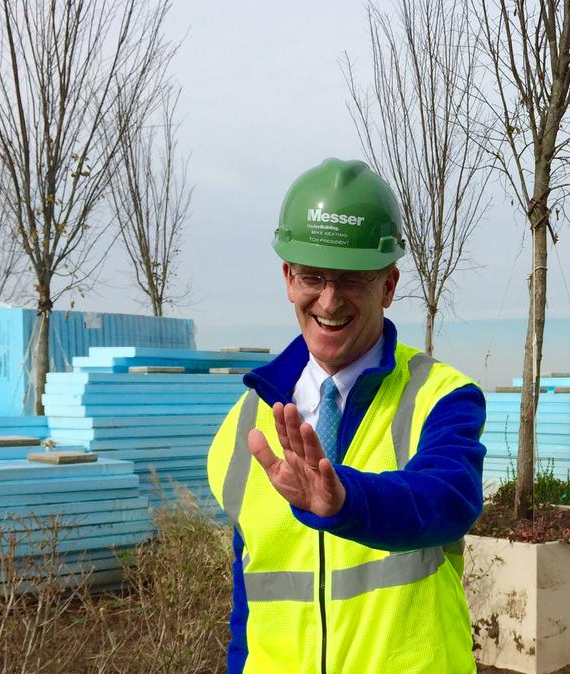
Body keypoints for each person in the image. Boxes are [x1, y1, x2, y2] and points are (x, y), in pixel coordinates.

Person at [206, 158, 485, 673]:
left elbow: (450, 499)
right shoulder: (243, 428)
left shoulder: (441, 397)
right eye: (313, 276)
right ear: (289, 278)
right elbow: (247, 605)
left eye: (353, 278)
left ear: (389, 284)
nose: (329, 300)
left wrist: (346, 501)